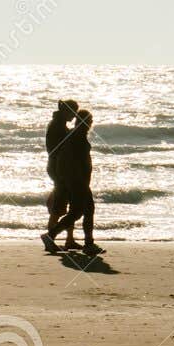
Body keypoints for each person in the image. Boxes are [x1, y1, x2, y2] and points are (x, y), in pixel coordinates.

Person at [53, 109, 104, 256]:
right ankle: (52, 236)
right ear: (83, 121)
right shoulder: (77, 136)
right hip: (77, 182)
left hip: (78, 181)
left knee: (83, 211)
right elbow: (70, 161)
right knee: (78, 212)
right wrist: (75, 180)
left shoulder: (76, 135)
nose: (91, 123)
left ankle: (88, 243)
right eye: (89, 121)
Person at [41, 100, 78, 252]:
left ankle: (69, 239)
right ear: (66, 112)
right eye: (73, 112)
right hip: (59, 168)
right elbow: (59, 149)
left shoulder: (59, 125)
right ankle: (50, 238)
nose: (75, 115)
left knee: (69, 203)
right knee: (60, 204)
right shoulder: (57, 127)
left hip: (59, 168)